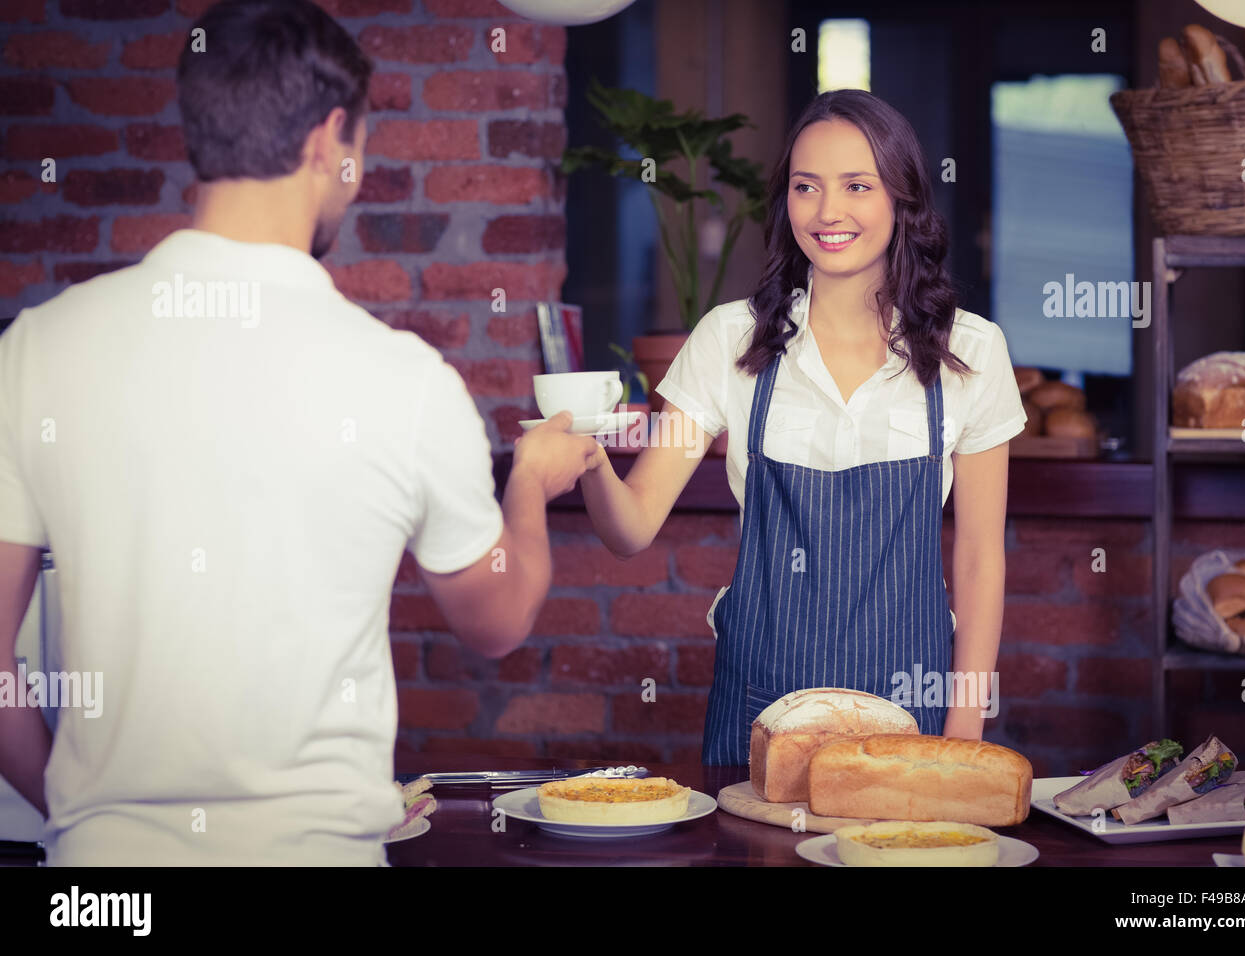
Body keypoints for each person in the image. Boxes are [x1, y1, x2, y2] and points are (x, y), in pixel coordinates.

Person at [0, 0, 597, 864]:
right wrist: (529, 487)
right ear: (329, 140)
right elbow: (498, 621)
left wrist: (85, 817)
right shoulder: (403, 381)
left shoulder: (34, 353)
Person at [579, 89, 1026, 764]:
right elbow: (632, 526)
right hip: (757, 720)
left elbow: (979, 559)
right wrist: (588, 457)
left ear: (902, 198)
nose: (828, 212)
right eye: (805, 187)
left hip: (915, 719)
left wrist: (964, 736)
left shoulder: (974, 352)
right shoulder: (727, 340)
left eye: (857, 185)